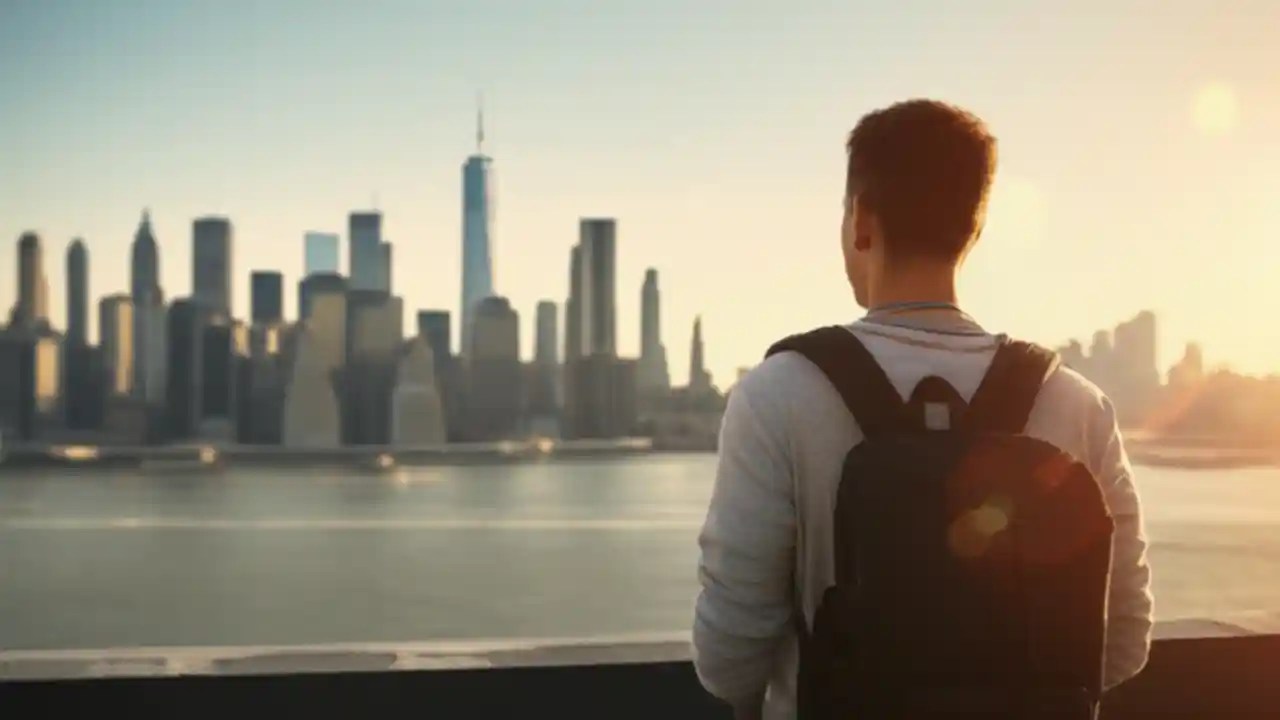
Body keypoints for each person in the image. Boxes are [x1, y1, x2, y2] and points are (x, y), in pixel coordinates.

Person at [691, 99, 1154, 720]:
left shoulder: (778, 395)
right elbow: (1121, 643)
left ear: (860, 221)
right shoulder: (1076, 404)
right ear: (975, 227)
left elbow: (728, 660)